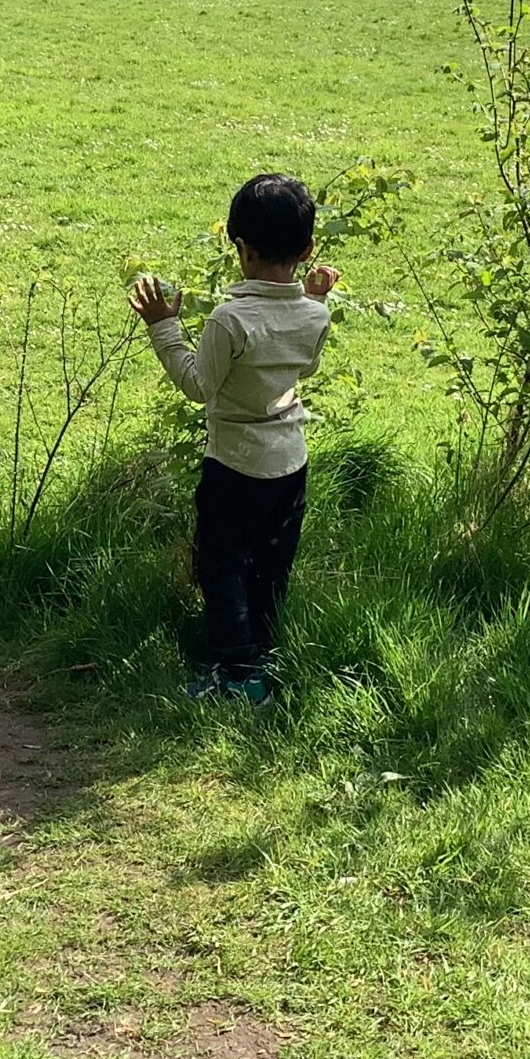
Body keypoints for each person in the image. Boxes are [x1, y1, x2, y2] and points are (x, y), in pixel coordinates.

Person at [130, 174, 339, 704]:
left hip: (235, 464)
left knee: (221, 566)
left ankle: (237, 676)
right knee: (272, 562)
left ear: (241, 248)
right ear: (308, 249)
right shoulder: (316, 312)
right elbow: (305, 368)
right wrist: (312, 298)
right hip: (291, 461)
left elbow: (199, 386)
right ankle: (264, 656)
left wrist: (164, 327)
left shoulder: (230, 319)